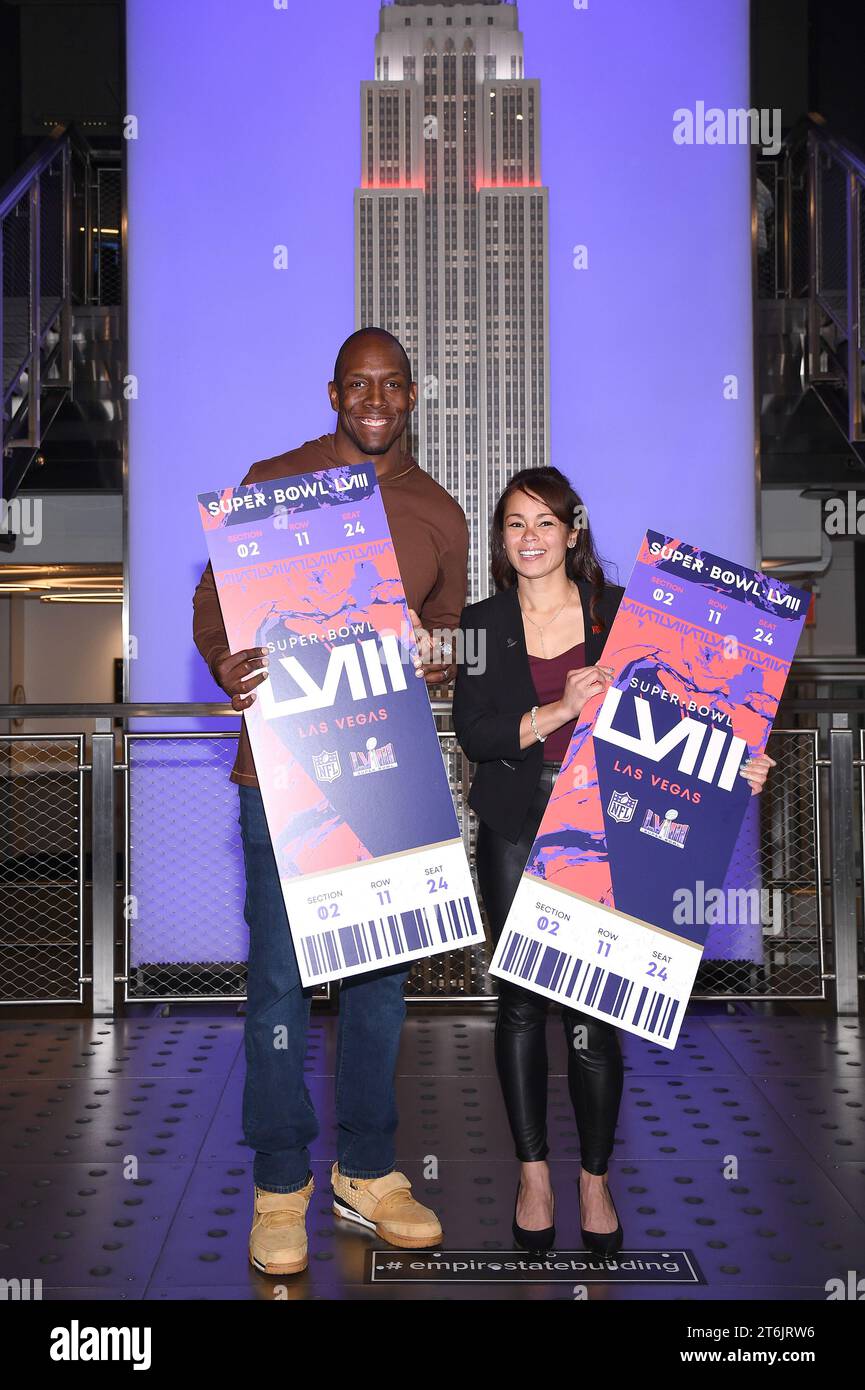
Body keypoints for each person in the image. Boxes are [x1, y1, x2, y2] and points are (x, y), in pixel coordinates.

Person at [192, 327, 468, 1275]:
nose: (376, 398)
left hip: (383, 776)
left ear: (413, 394)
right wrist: (222, 657)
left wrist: (436, 653)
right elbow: (210, 594)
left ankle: (368, 1170)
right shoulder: (277, 480)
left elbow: (445, 629)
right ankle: (279, 1183)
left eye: (392, 383)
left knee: (379, 985)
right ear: (333, 392)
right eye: (359, 384)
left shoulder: (439, 511)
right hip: (278, 773)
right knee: (276, 981)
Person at [452, 467, 775, 1255]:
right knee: (521, 1006)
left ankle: (593, 1178)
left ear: (572, 532)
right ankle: (533, 1175)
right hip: (514, 830)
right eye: (514, 524)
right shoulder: (477, 620)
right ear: (502, 539)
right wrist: (559, 708)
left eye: (544, 523)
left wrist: (733, 762)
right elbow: (476, 733)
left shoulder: (621, 615)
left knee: (594, 1013)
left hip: (607, 831)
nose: (529, 539)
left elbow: (688, 703)